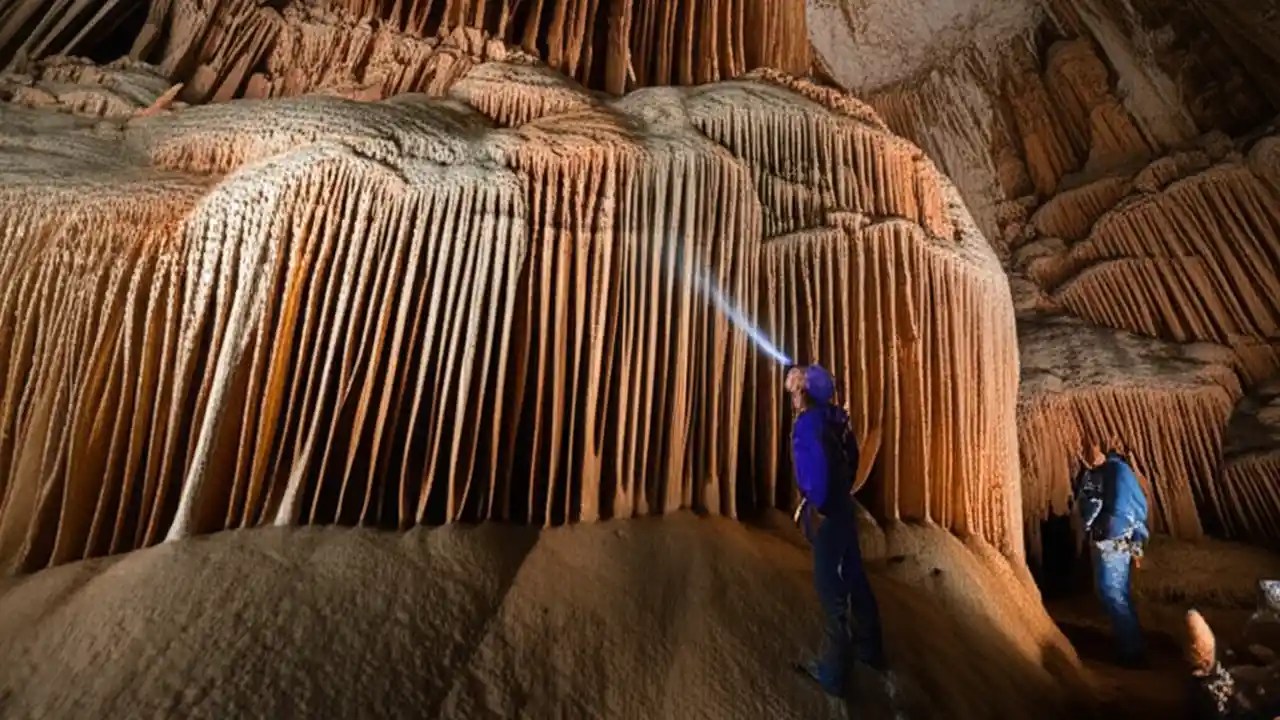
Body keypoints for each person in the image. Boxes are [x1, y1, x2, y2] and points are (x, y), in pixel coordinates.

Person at [787, 364, 886, 696]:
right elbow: (853, 459)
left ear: (807, 392)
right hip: (842, 507)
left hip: (828, 513)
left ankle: (834, 672)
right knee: (854, 575)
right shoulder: (837, 419)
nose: (792, 390)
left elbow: (814, 470)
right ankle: (871, 649)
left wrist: (814, 504)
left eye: (798, 385)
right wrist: (841, 494)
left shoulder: (808, 425)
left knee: (831, 589)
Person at [1074, 442, 1150, 667]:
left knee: (1110, 592)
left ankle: (1132, 653)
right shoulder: (1127, 474)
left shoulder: (1099, 473)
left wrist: (1087, 525)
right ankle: (1132, 644)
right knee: (1121, 593)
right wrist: (1137, 548)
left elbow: (1092, 504)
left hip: (1109, 537)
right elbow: (1140, 512)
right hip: (1125, 538)